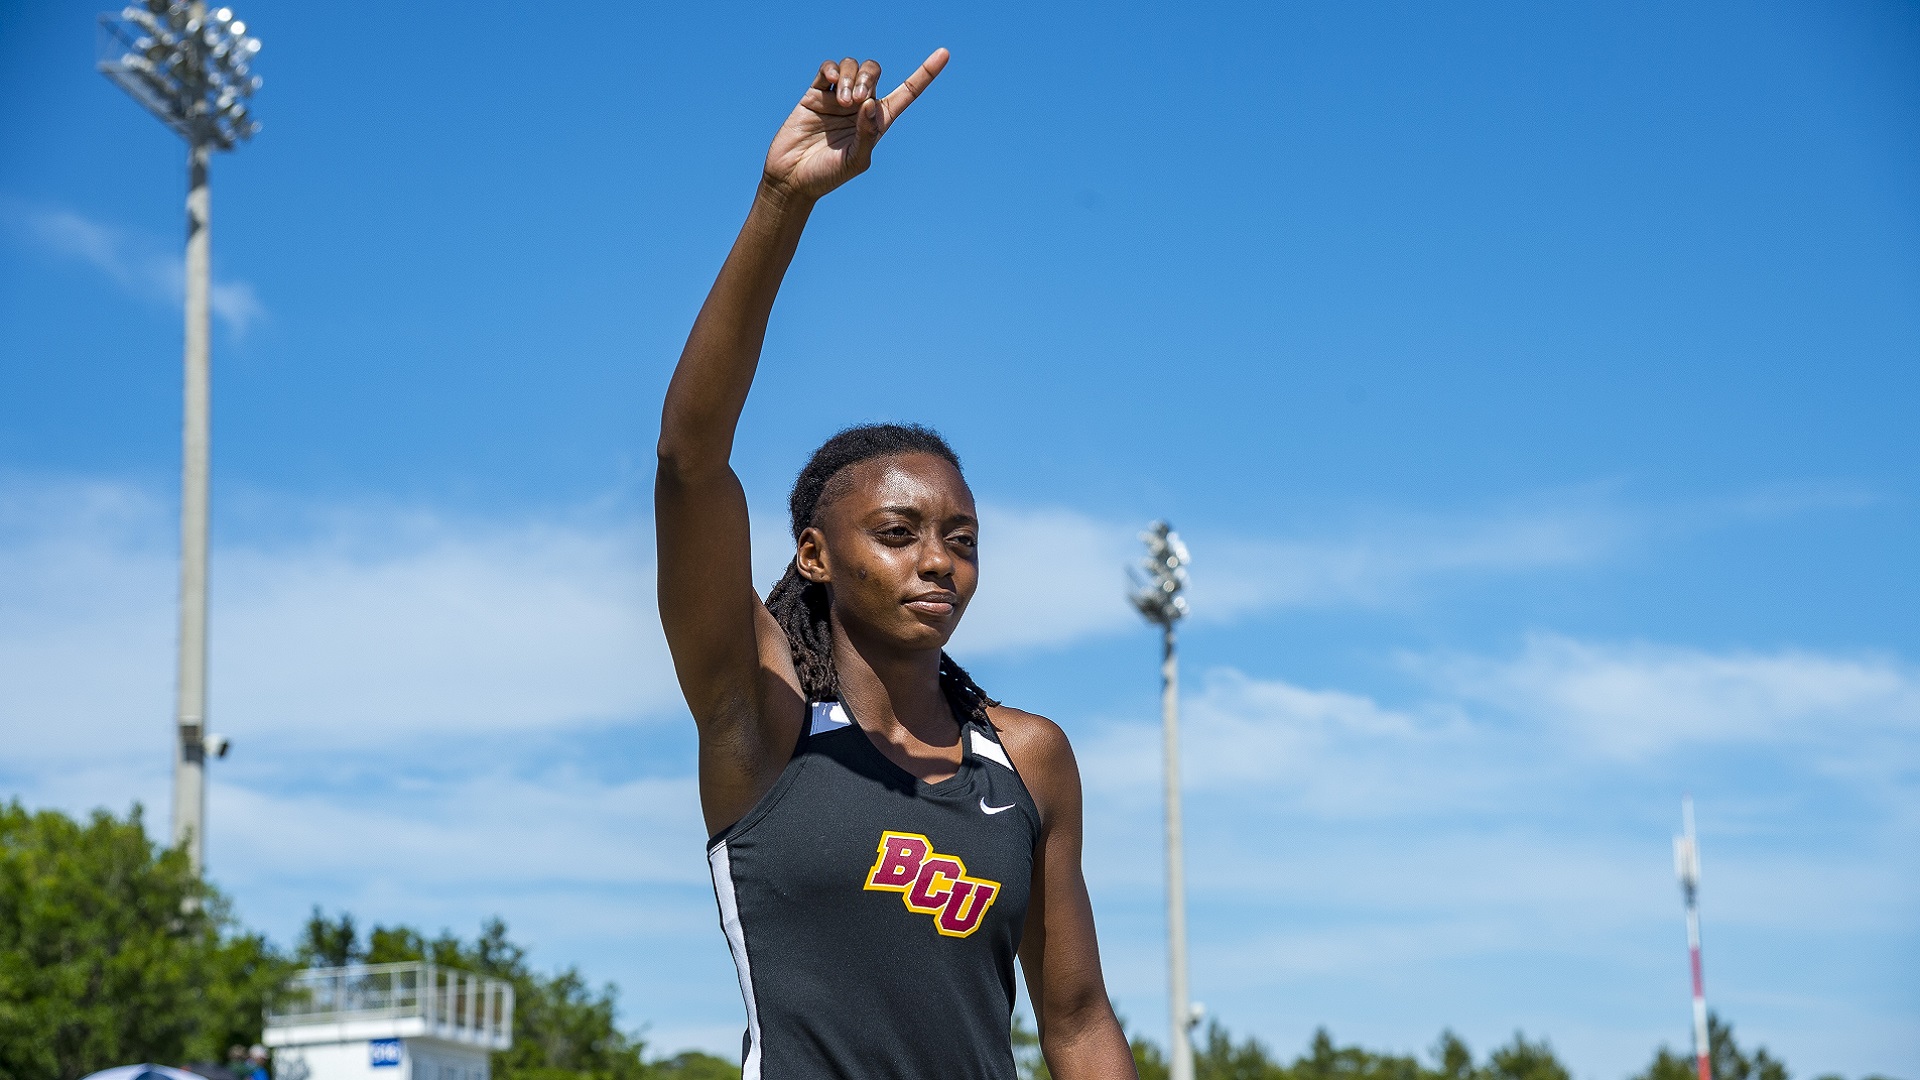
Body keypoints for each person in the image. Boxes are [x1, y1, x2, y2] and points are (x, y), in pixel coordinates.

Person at [656, 48, 1138, 1080]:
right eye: (901, 532)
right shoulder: (764, 723)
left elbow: (1080, 1017)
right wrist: (782, 202)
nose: (939, 563)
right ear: (816, 555)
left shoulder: (1027, 759)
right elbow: (690, 464)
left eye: (962, 540)